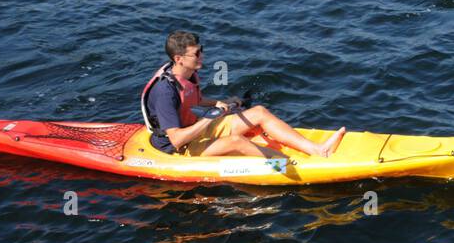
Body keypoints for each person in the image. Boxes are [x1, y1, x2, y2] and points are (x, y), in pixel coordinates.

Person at [141, 31, 346, 159]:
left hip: (194, 129)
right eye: (196, 54)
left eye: (201, 50)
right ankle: (289, 163)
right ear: (179, 59)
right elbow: (176, 140)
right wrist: (209, 118)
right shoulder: (164, 92)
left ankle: (317, 150)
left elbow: (194, 100)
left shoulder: (188, 73)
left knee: (258, 112)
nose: (202, 56)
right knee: (237, 141)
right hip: (176, 148)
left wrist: (221, 103)